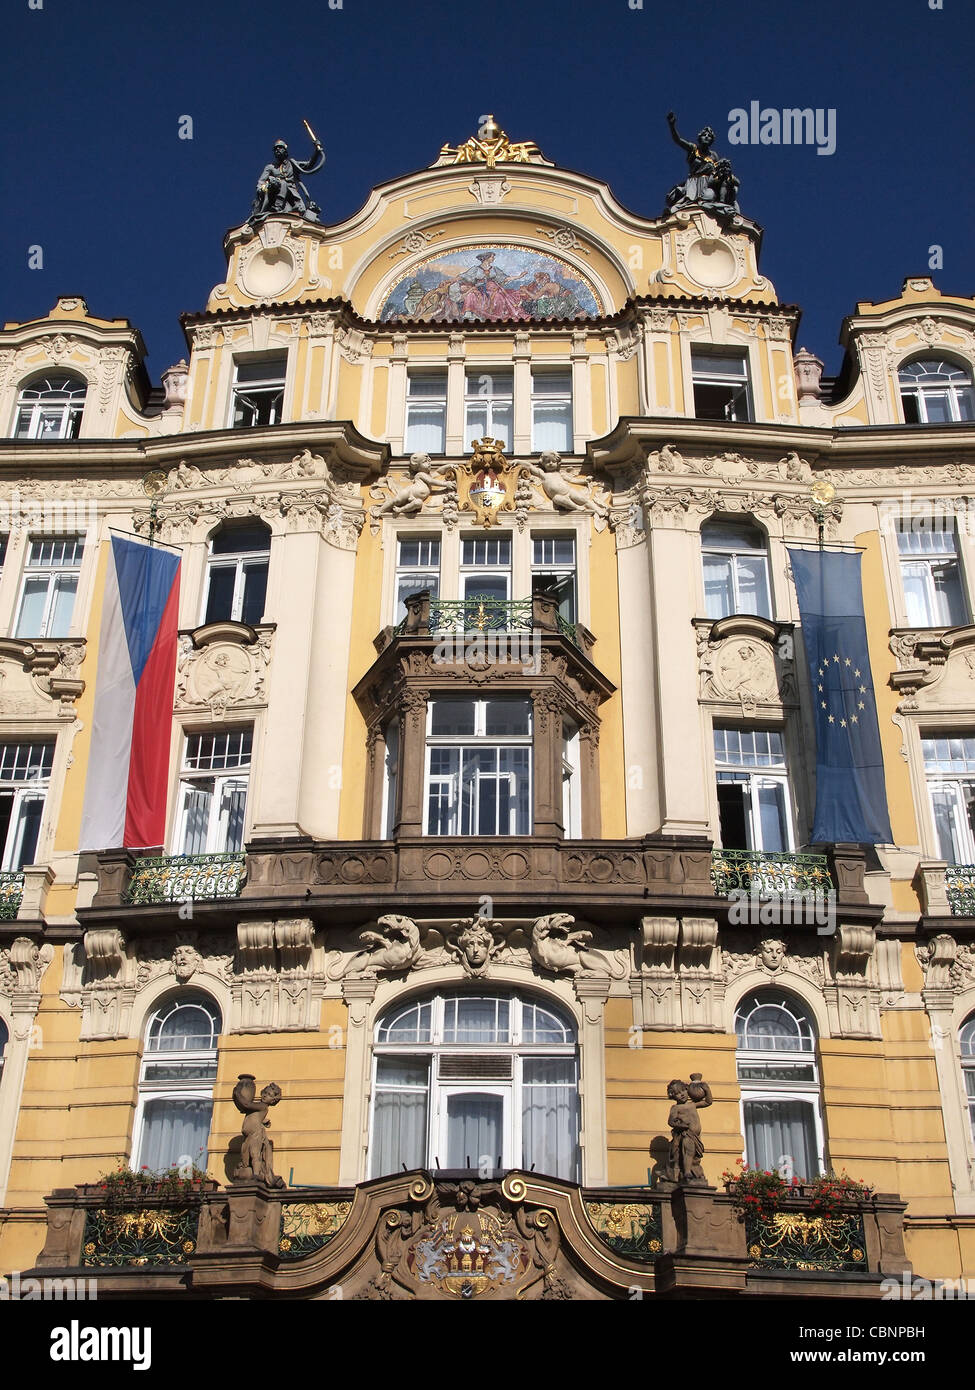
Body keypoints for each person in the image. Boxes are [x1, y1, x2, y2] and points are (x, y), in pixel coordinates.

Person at [250, 137, 325, 227]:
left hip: (292, 194)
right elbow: (261, 181)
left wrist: (317, 152)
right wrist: (260, 188)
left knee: (302, 212)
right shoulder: (270, 167)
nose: (277, 150)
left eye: (280, 148)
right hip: (275, 192)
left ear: (285, 150)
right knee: (281, 182)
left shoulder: (292, 163)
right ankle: (277, 207)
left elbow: (309, 165)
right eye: (276, 149)